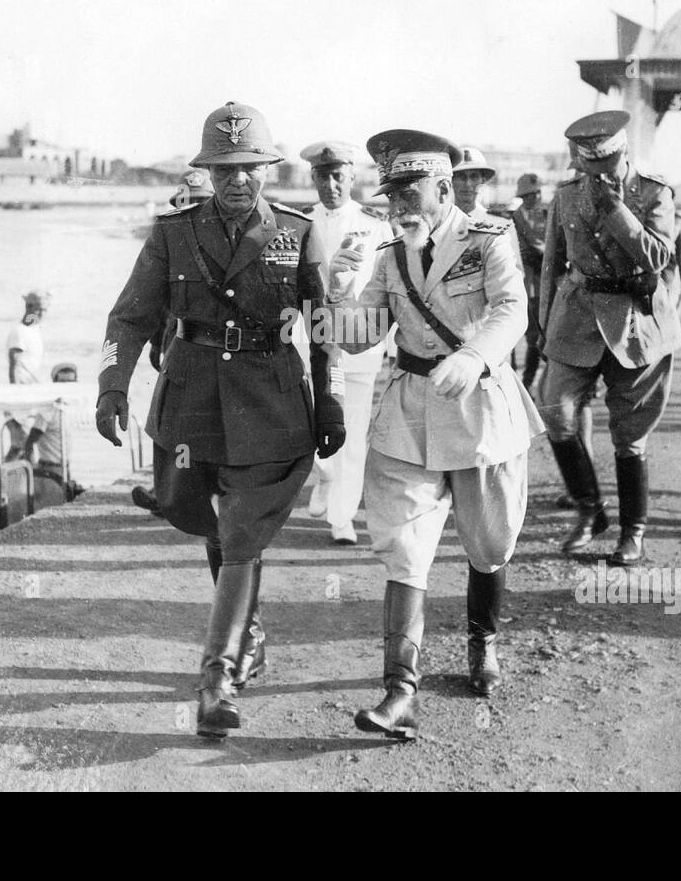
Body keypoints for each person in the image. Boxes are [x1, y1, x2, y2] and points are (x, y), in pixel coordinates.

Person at [94, 101, 345, 739]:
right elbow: (129, 317)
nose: (238, 180)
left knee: (240, 532)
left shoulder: (298, 231)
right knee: (212, 521)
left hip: (270, 402)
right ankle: (249, 632)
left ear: (268, 169)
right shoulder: (173, 233)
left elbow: (323, 328)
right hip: (192, 402)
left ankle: (218, 677)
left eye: (250, 167)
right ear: (208, 171)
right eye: (225, 168)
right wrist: (112, 385)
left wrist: (332, 397)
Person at [328, 129, 542, 739]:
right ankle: (400, 692)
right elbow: (359, 337)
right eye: (392, 193)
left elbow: (512, 309)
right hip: (410, 416)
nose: (400, 205)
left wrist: (474, 356)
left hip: (480, 409)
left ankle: (483, 642)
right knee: (403, 547)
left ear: (444, 190)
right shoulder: (388, 253)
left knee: (489, 543)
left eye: (410, 192)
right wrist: (337, 292)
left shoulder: (490, 238)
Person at [538, 110, 681, 566]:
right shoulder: (567, 195)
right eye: (590, 165)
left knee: (630, 434)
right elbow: (553, 263)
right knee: (555, 411)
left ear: (623, 152)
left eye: (606, 163)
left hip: (636, 321)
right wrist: (544, 326)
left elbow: (658, 255)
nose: (598, 173)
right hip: (577, 317)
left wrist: (615, 210)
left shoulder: (654, 193)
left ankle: (632, 532)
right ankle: (590, 510)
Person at [299, 140, 394, 546]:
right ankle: (325, 476)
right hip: (310, 340)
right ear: (313, 178)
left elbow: (386, 287)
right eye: (322, 177)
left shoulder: (374, 224)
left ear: (352, 177)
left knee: (352, 433)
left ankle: (343, 517)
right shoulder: (300, 223)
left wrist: (388, 344)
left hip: (358, 341)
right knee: (310, 422)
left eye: (338, 176)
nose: (331, 185)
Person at [132, 171, 215, 517]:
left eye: (200, 203)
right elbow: (156, 301)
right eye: (187, 204)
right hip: (176, 344)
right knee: (169, 420)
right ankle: (166, 492)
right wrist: (156, 344)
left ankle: (187, 495)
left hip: (215, 351)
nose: (193, 211)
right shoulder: (171, 244)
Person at [7, 361, 82, 504]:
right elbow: (29, 442)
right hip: (49, 470)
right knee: (50, 505)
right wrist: (32, 470)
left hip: (64, 467)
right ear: (55, 384)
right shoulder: (48, 411)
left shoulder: (68, 409)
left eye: (70, 383)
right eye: (62, 383)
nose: (66, 387)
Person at [7, 291, 50, 384]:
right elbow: (14, 365)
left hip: (33, 383)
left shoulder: (35, 330)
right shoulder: (19, 331)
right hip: (22, 383)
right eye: (38, 309)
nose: (41, 314)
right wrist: (15, 389)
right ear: (28, 307)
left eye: (44, 310)